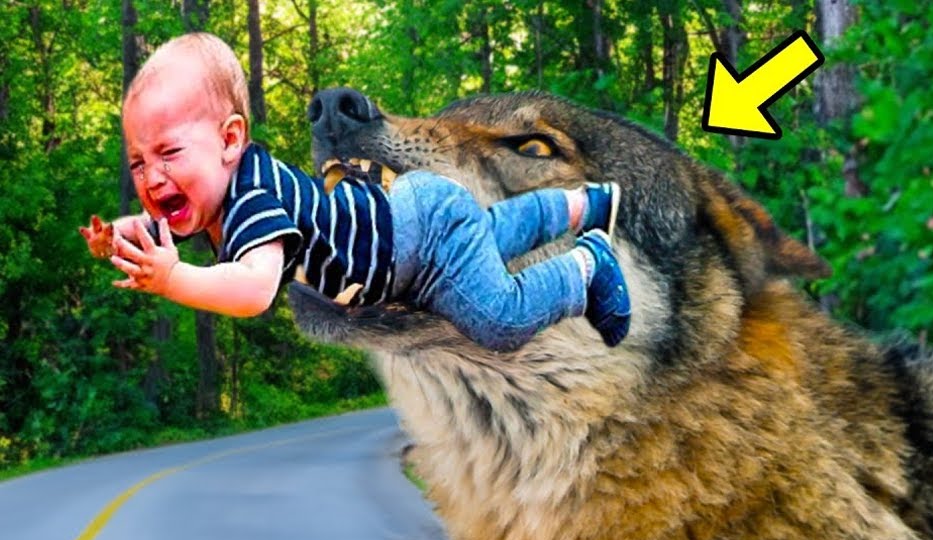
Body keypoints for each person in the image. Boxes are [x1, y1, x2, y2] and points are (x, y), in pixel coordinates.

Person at [80, 32, 630, 350]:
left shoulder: (252, 201)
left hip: (413, 244)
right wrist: (118, 235)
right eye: (137, 162)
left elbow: (250, 293)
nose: (151, 178)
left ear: (230, 140)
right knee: (488, 235)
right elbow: (160, 226)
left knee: (498, 320)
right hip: (410, 225)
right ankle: (584, 203)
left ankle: (587, 266)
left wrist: (174, 279)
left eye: (169, 154)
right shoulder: (217, 190)